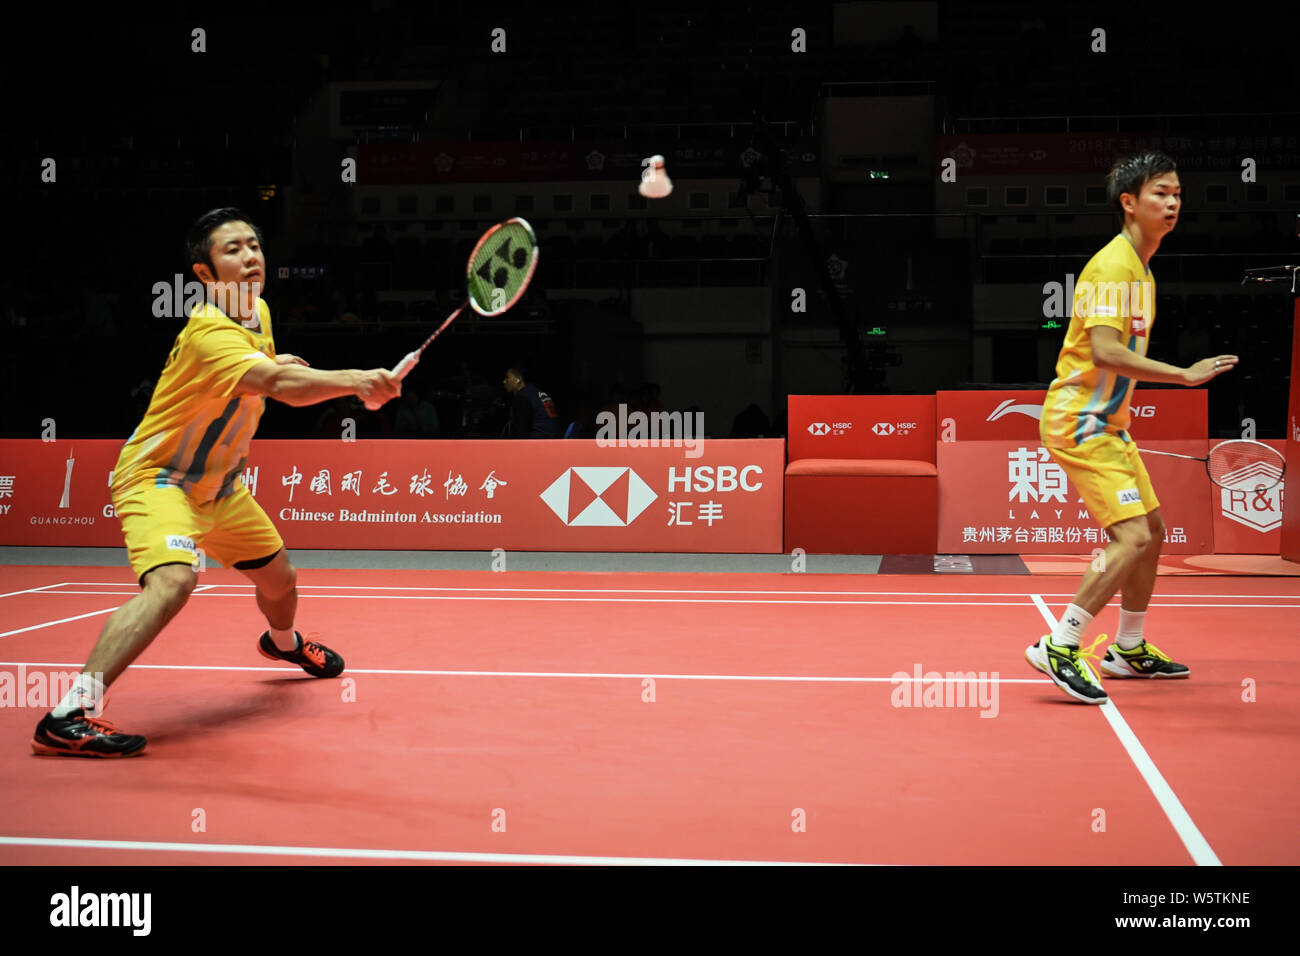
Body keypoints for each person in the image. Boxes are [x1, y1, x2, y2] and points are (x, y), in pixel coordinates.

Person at [31, 208, 401, 757]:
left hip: (223, 487)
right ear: (205, 274)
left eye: (254, 245)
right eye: (233, 250)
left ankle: (283, 645)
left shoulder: (260, 310)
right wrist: (354, 381)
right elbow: (275, 382)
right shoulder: (208, 332)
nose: (251, 257)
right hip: (161, 480)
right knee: (176, 582)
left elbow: (268, 368)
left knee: (281, 581)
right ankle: (67, 714)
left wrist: (282, 367)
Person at [1026, 153, 1238, 703]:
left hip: (1109, 424)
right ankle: (1062, 643)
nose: (1171, 204)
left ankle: (1128, 647)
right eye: (1160, 194)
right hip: (1080, 421)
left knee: (1153, 533)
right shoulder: (1113, 267)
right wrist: (1182, 375)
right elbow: (1104, 350)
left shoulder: (1142, 268)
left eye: (1177, 195)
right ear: (1129, 202)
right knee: (1133, 536)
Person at [503, 367, 560, 438]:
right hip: (554, 439)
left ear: (518, 379)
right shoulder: (536, 392)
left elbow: (521, 432)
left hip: (540, 441)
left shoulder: (523, 397)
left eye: (507, 377)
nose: (504, 381)